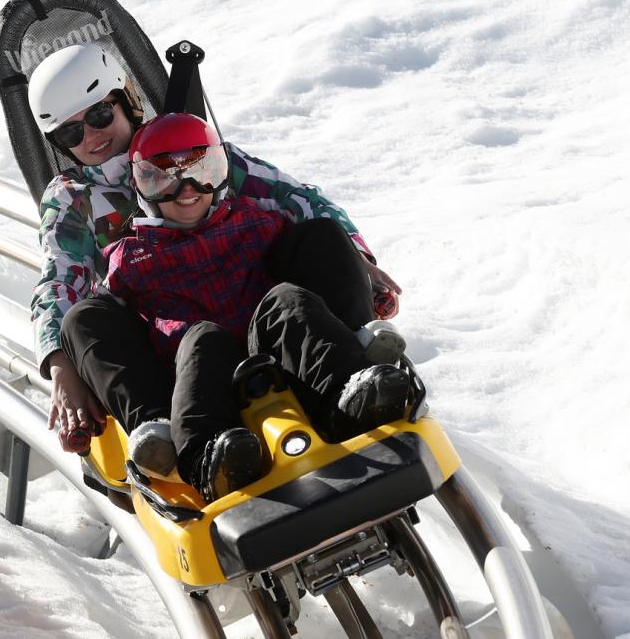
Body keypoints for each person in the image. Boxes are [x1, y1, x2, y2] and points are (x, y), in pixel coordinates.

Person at [25, 43, 402, 453]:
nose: (92, 136)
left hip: (262, 314)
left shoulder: (190, 147)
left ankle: (352, 362)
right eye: (71, 131)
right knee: (85, 318)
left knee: (320, 234)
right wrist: (60, 365)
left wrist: (356, 257)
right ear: (58, 143)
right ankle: (162, 435)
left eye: (99, 114)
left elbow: (296, 198)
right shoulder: (74, 197)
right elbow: (61, 279)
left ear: (125, 100)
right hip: (172, 343)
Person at [99, 112, 410, 502]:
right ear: (141, 187)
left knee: (285, 299)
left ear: (222, 169)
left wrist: (356, 263)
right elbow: (103, 328)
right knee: (202, 338)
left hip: (275, 356)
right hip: (199, 377)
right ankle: (209, 457)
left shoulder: (256, 218)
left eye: (202, 170)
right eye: (162, 177)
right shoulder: (129, 258)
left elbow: (314, 235)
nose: (186, 189)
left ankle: (349, 391)